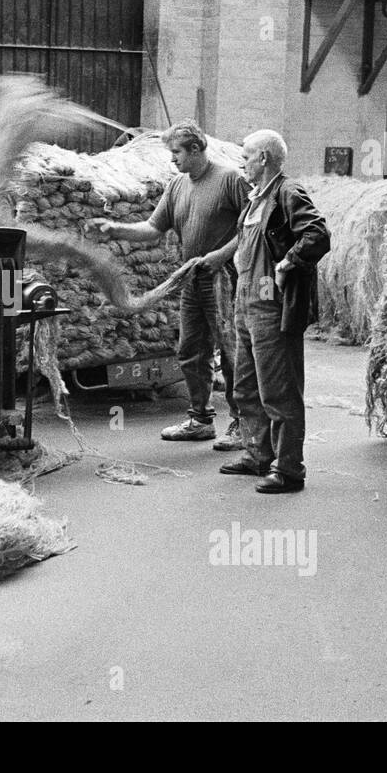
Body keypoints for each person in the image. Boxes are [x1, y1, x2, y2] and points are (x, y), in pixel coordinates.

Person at [181, 129, 329, 493]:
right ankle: (258, 454)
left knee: (279, 391)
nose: (242, 163)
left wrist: (287, 264)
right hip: (244, 305)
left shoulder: (287, 192)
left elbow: (318, 234)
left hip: (271, 307)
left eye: (246, 156)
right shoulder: (252, 200)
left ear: (263, 158)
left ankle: (289, 468)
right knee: (246, 387)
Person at [89, 120, 247, 450]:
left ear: (196, 148)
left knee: (233, 354)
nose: (172, 159)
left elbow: (252, 228)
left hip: (225, 283)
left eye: (176, 152)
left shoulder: (230, 179)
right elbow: (152, 228)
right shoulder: (177, 186)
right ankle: (201, 420)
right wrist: (114, 229)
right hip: (192, 282)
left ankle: (243, 423)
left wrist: (220, 255)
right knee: (191, 351)